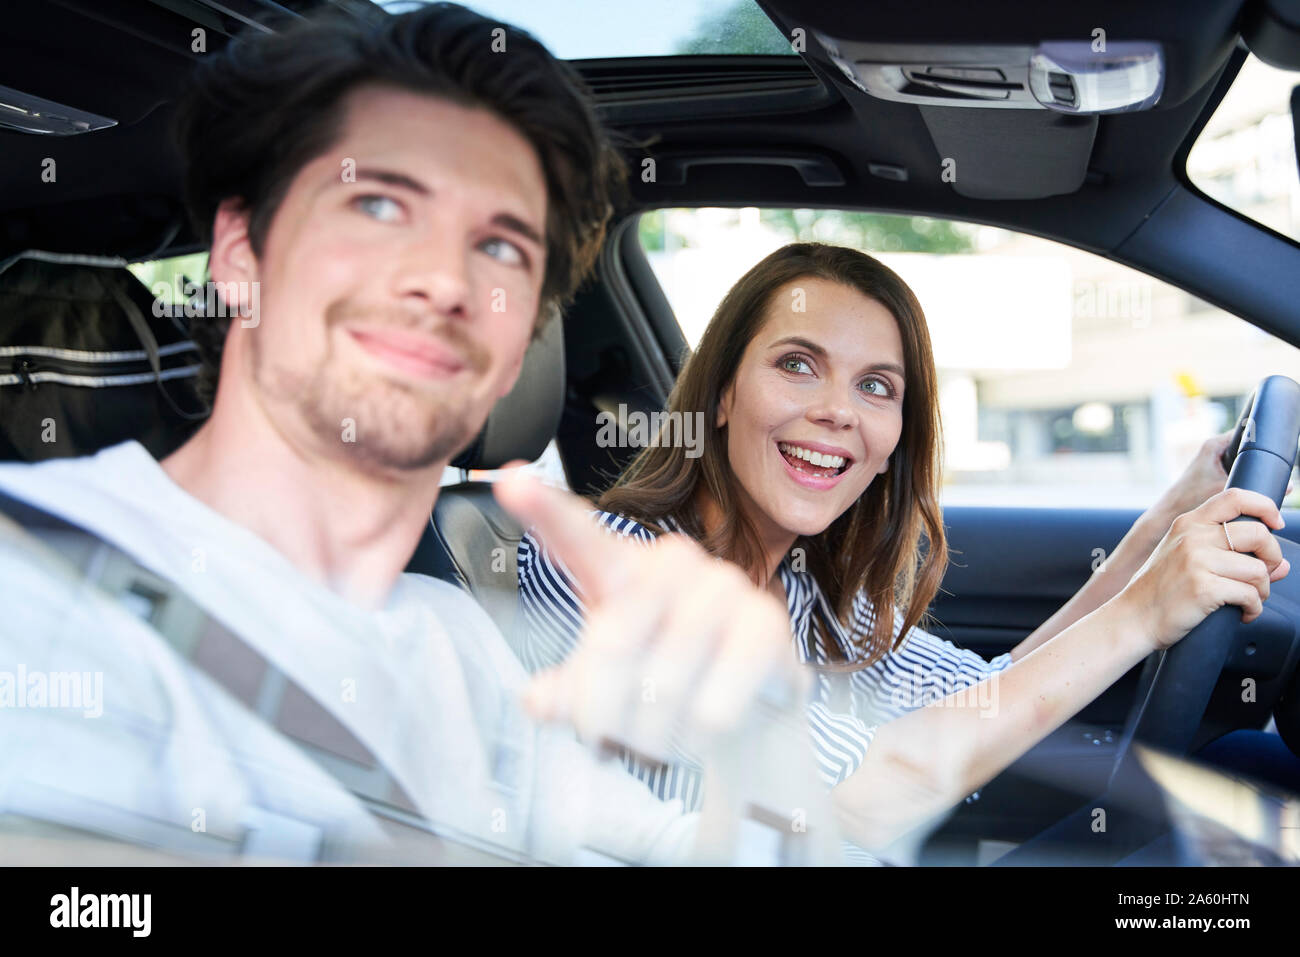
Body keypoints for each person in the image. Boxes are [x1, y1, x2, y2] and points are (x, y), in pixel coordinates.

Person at [0, 4, 830, 866]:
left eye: (503, 247)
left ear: (518, 352)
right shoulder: (35, 586)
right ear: (241, 254)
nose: (443, 278)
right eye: (381, 204)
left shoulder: (453, 639)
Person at [516, 242, 1292, 858]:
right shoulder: (604, 563)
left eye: (877, 387)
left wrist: (1165, 522)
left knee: (1248, 775)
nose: (836, 412)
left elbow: (995, 690)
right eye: (797, 365)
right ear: (721, 391)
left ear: (893, 443)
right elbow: (861, 797)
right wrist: (1142, 613)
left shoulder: (804, 591)